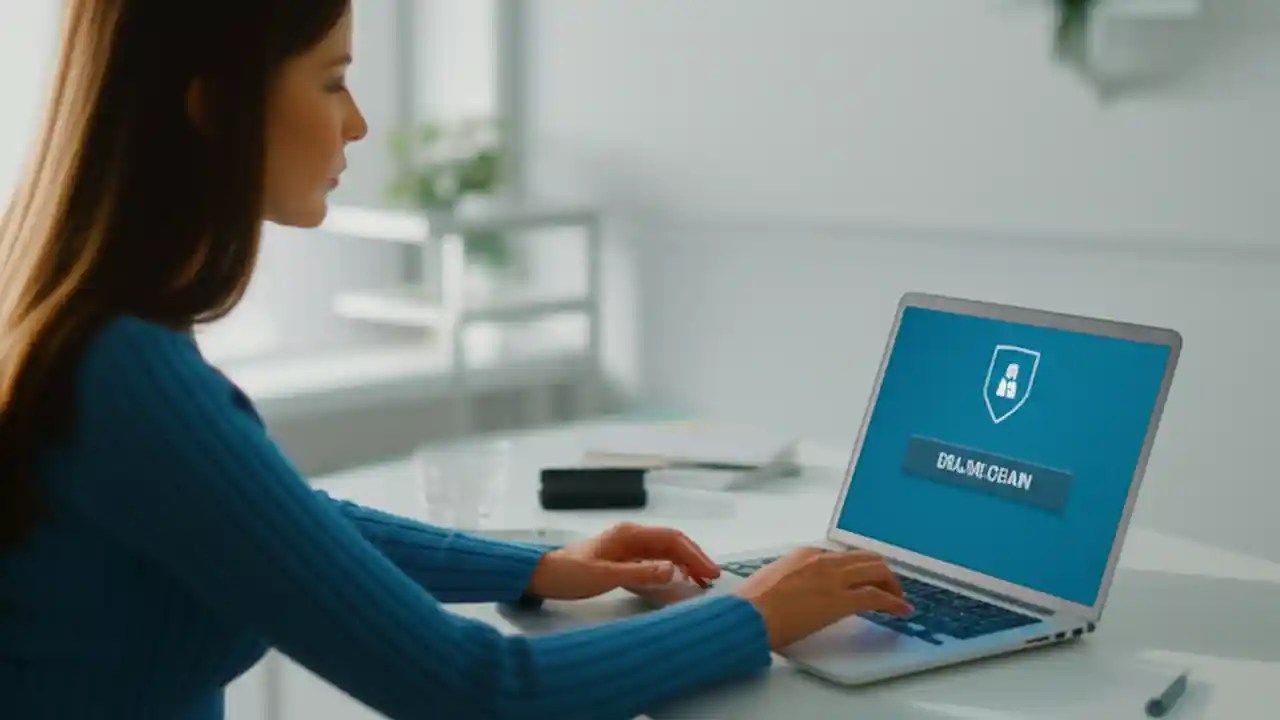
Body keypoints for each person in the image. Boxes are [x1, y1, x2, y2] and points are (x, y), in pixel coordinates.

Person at [0, 2, 913, 718]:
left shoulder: (85, 334)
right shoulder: (128, 376)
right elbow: (479, 691)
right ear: (212, 107)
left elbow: (277, 522)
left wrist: (533, 567)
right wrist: (753, 613)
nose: (356, 125)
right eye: (331, 82)